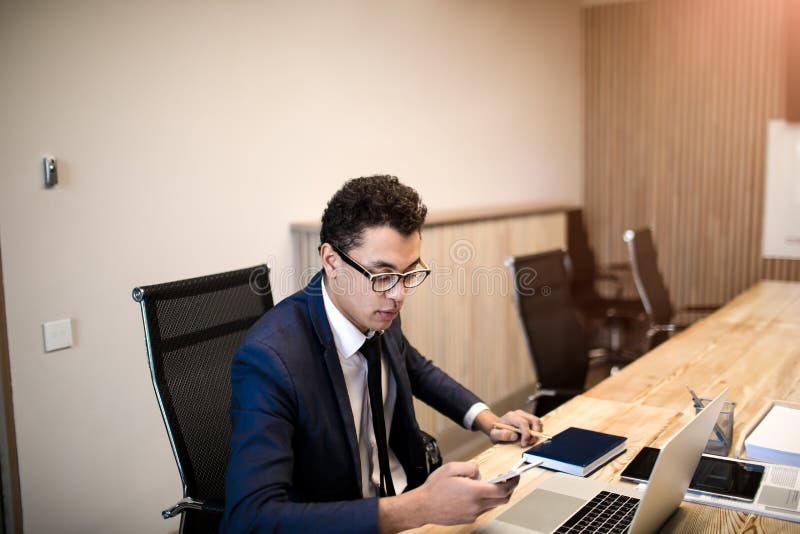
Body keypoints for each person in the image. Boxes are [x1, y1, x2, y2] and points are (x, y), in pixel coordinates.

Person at [223, 175, 543, 533]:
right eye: (382, 274)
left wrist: (488, 421)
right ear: (331, 260)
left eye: (408, 274)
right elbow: (249, 520)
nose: (399, 294)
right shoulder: (270, 360)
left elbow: (415, 368)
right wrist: (419, 507)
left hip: (406, 500)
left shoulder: (377, 307)